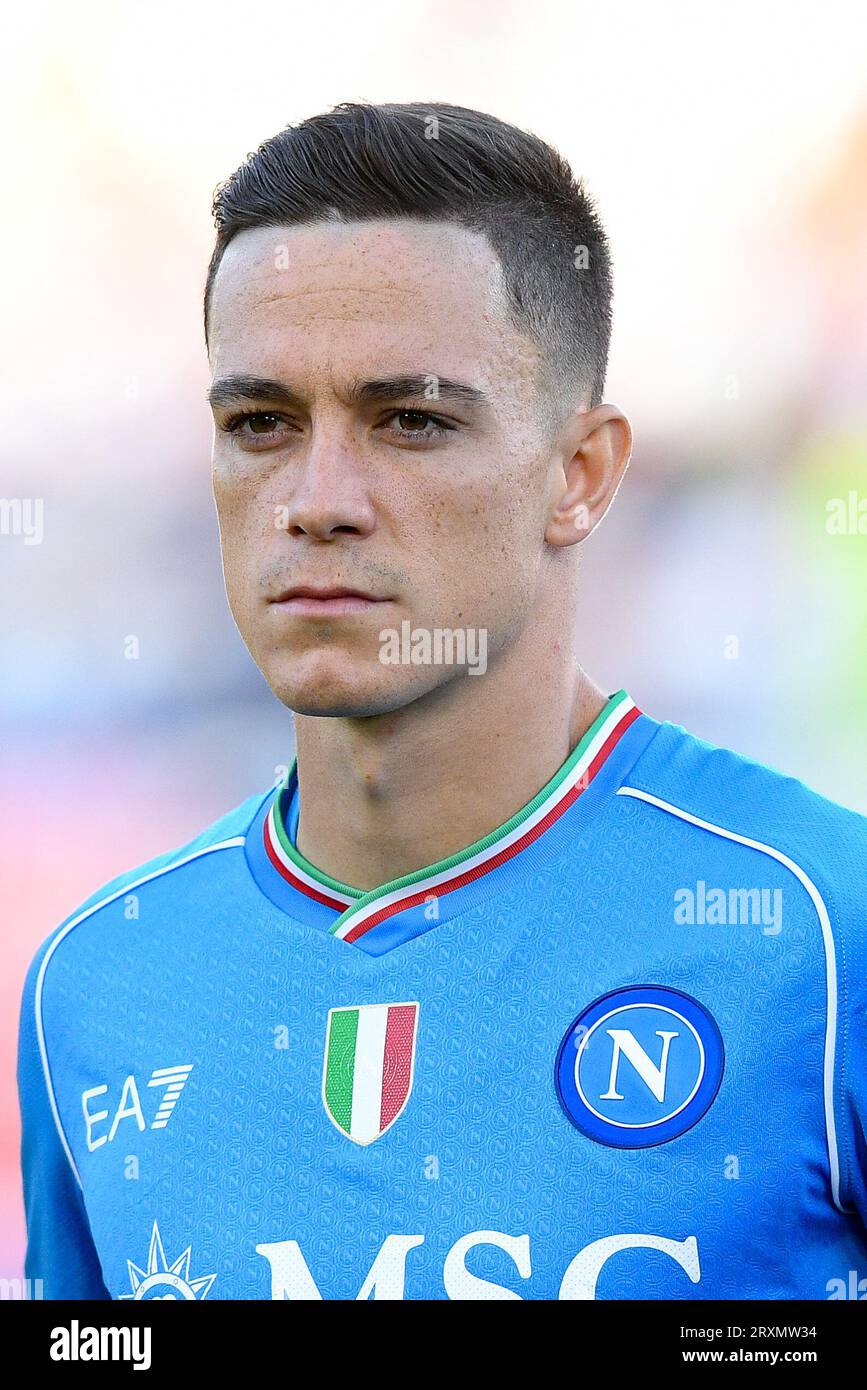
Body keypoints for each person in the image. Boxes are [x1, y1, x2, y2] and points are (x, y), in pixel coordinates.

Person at [18, 102, 867, 1301]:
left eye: (410, 420)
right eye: (260, 423)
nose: (318, 498)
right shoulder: (97, 983)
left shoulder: (825, 932)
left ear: (581, 475)